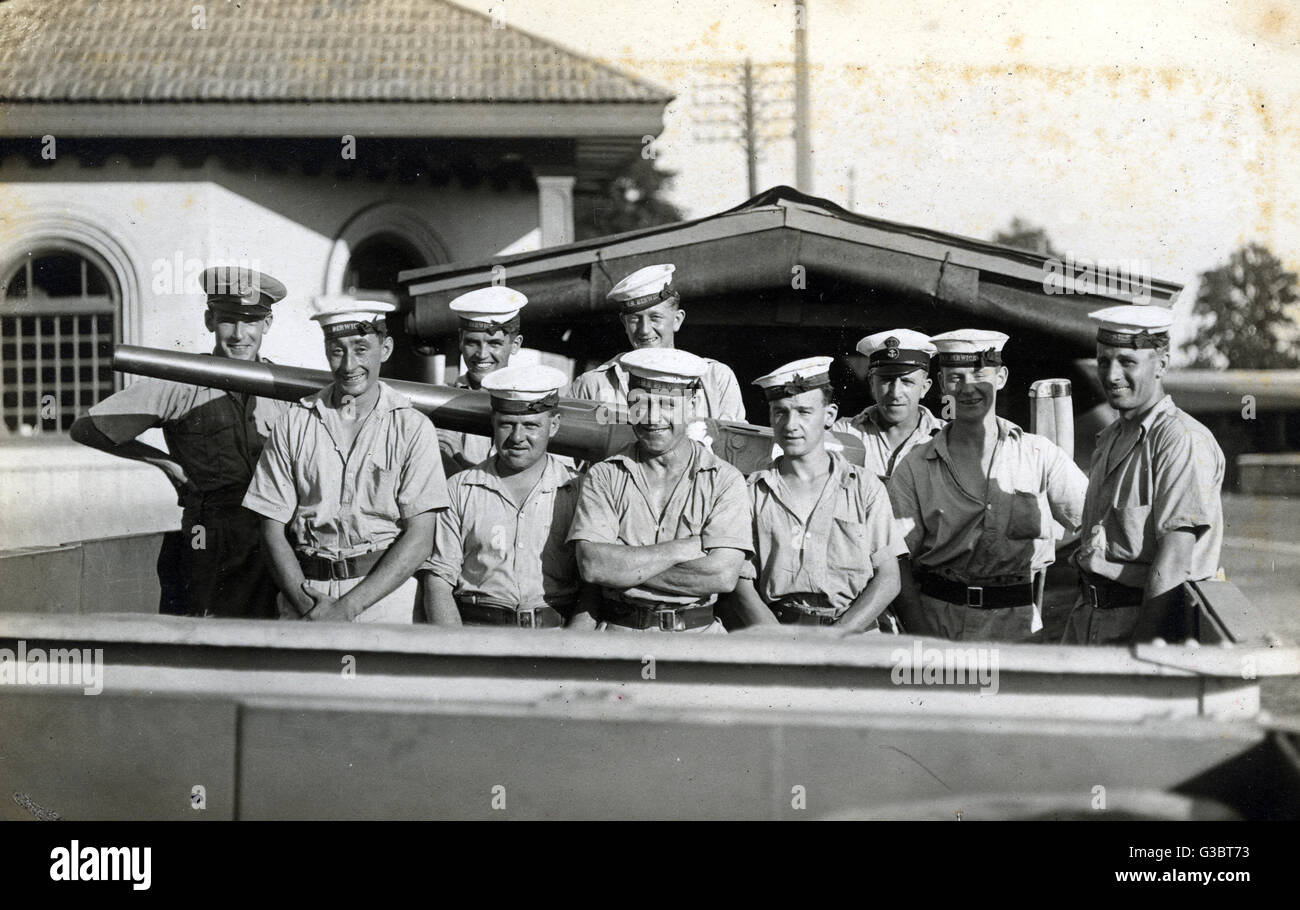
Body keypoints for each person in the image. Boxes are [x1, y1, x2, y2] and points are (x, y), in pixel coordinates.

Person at [69, 266, 290, 618]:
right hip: (211, 535)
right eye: (228, 320)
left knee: (280, 641)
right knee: (206, 639)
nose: (238, 335)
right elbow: (88, 427)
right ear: (209, 320)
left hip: (276, 536)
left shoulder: (286, 386)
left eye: (250, 322)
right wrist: (165, 463)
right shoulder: (181, 381)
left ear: (267, 324)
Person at [242, 300, 449, 623]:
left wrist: (347, 608)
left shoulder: (412, 428)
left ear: (386, 348)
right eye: (337, 350)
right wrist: (310, 606)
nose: (349, 364)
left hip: (383, 599)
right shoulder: (295, 422)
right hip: (307, 596)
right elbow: (270, 525)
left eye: (361, 348)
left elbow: (420, 538)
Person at [887, 329, 1087, 642]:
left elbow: (1093, 525)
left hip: (1019, 627)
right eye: (955, 377)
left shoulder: (1039, 455)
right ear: (941, 385)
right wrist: (921, 635)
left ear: (1002, 376)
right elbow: (896, 560)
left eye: (980, 372)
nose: (968, 388)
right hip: (940, 622)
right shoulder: (915, 466)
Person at [1062, 305, 1225, 645]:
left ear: (1161, 364)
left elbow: (1175, 559)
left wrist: (1139, 653)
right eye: (1104, 361)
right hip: (1088, 620)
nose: (1112, 375)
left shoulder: (1179, 440)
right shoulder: (1111, 436)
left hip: (1139, 624)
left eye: (1127, 361)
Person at [567, 348, 751, 633]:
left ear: (691, 406)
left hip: (696, 640)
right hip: (620, 634)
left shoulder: (724, 481)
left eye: (667, 404)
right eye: (640, 403)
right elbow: (592, 566)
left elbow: (722, 575)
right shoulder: (605, 475)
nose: (652, 418)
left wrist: (622, 569)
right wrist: (680, 549)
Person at [728, 357, 901, 633]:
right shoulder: (751, 492)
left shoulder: (863, 487)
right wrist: (777, 638)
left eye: (804, 412)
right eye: (780, 412)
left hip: (854, 635)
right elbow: (739, 580)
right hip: (779, 635)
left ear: (829, 415)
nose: (791, 424)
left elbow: (889, 577)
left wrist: (838, 636)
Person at [419, 364, 598, 629]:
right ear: (493, 422)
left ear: (554, 425)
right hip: (478, 634)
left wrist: (573, 644)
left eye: (531, 426)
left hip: (554, 638)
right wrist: (455, 649)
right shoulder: (460, 489)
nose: (517, 437)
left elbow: (592, 587)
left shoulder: (578, 491)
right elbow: (438, 580)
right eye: (507, 425)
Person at [569, 264, 746, 422]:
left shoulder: (715, 378)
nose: (644, 329)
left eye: (655, 317)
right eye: (634, 319)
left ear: (677, 320)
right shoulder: (593, 384)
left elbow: (732, 453)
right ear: (624, 323)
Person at [833, 329, 944, 483]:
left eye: (907, 382)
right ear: (872, 383)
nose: (895, 392)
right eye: (886, 380)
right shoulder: (844, 432)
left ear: (925, 387)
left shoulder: (947, 437)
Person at [438, 286, 528, 476]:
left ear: (516, 345)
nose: (482, 355)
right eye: (472, 342)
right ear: (460, 341)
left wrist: (458, 459)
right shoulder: (438, 402)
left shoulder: (534, 403)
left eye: (494, 343)